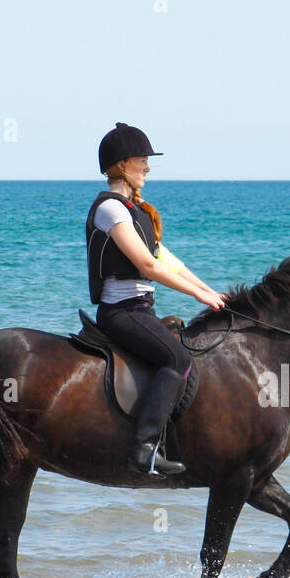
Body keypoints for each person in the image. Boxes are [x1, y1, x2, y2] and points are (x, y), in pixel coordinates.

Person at [86, 123, 227, 475]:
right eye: (141, 162)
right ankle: (144, 448)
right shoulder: (111, 210)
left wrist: (209, 291)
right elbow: (147, 265)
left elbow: (167, 259)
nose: (147, 169)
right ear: (121, 166)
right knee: (177, 358)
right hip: (120, 312)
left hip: (141, 309)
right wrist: (196, 294)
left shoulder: (137, 211)